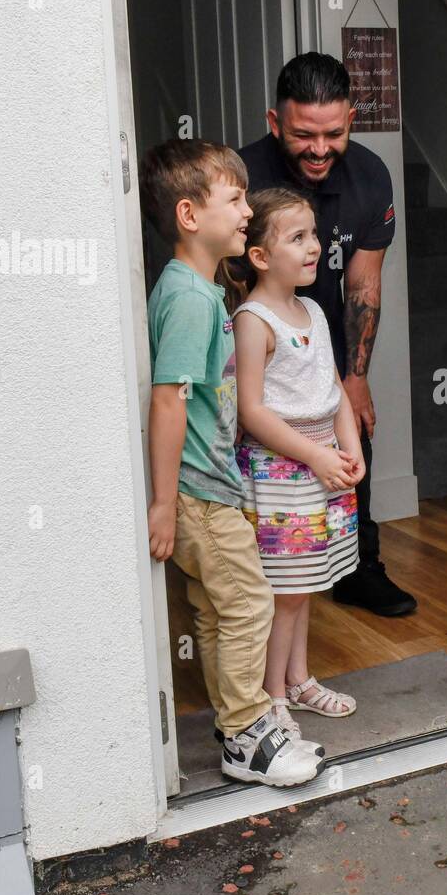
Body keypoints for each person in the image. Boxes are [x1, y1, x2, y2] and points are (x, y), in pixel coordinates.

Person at [140, 139, 325, 787]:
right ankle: (249, 737)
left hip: (206, 487)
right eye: (235, 198)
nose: (247, 208)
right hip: (197, 493)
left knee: (220, 611)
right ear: (190, 215)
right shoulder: (191, 300)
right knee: (249, 603)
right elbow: (169, 400)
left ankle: (234, 724)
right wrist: (164, 502)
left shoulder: (194, 288)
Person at [239, 53, 417, 618]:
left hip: (323, 338)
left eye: (333, 133)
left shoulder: (370, 176)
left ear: (351, 120)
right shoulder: (239, 177)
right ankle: (261, 582)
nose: (319, 149)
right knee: (266, 470)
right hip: (256, 345)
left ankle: (358, 567)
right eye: (303, 135)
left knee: (349, 448)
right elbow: (218, 275)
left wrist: (355, 377)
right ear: (275, 123)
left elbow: (364, 283)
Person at [219, 187, 364, 737]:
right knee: (285, 592)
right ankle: (272, 698)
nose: (314, 247)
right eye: (298, 238)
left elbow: (332, 386)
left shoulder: (314, 311)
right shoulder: (253, 320)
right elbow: (253, 412)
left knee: (304, 586)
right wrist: (317, 456)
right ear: (259, 256)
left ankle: (298, 680)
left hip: (323, 466)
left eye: (314, 235)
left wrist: (348, 448)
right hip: (284, 473)